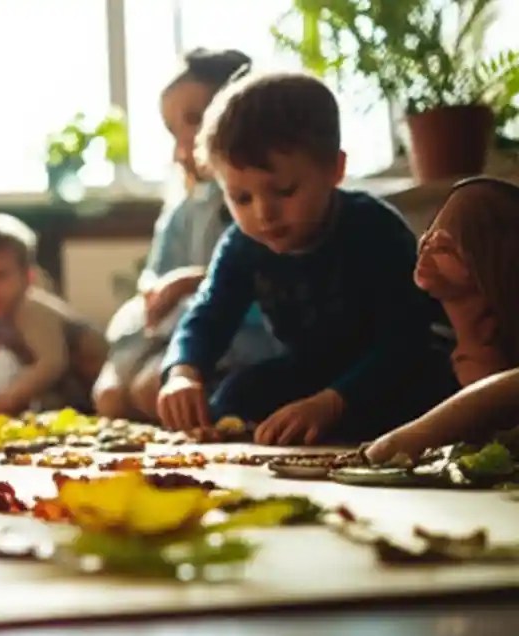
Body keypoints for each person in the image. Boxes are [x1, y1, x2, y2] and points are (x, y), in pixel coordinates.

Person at [156, 72, 457, 445]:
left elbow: (404, 338)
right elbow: (208, 316)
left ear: (335, 169)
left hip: (392, 368)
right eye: (241, 198)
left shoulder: (374, 228)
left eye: (284, 190)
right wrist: (183, 371)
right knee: (235, 396)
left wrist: (333, 402)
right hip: (311, 372)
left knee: (431, 390)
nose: (264, 214)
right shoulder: (242, 244)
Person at [95, 48, 279, 421]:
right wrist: (156, 292)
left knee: (150, 390)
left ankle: (227, 411)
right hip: (177, 327)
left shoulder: (260, 201)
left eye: (194, 121)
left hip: (242, 334)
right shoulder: (187, 207)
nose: (184, 146)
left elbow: (270, 283)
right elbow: (156, 272)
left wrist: (190, 283)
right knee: (109, 396)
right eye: (173, 131)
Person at [365, 178, 519, 462]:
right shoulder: (424, 345)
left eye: (447, 246)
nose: (427, 245)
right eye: (429, 233)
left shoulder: (503, 365)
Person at [0, 213, 107, 418]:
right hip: (68, 386)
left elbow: (52, 363)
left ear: (27, 277)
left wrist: (3, 403)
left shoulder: (31, 309)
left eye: (0, 275)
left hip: (92, 381)